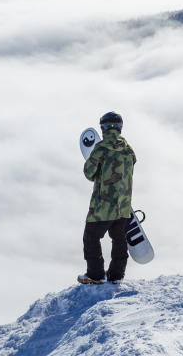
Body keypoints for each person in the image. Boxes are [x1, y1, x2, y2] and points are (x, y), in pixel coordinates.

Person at [79, 111, 137, 285]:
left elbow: (89, 173)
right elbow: (132, 166)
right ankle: (116, 275)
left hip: (103, 206)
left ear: (103, 128)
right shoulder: (128, 149)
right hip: (124, 205)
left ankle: (95, 275)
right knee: (119, 238)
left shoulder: (101, 148)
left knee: (91, 237)